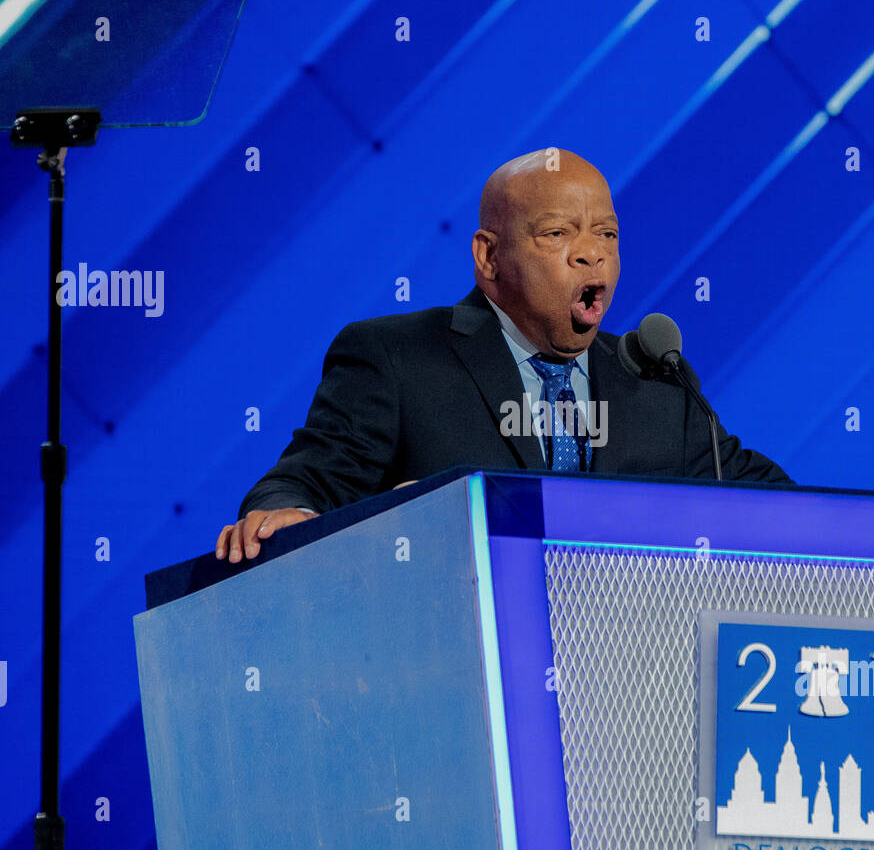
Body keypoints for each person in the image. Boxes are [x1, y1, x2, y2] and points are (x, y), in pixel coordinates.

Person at [216, 148, 791, 563]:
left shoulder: (657, 385)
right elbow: (305, 483)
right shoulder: (395, 358)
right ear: (489, 258)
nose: (591, 254)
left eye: (607, 235)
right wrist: (287, 515)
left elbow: (780, 505)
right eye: (558, 234)